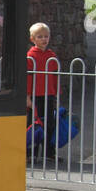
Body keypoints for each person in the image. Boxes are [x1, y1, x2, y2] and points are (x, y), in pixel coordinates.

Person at [26, 22, 59, 156]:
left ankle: (49, 152)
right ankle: (30, 153)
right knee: (33, 124)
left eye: (46, 36)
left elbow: (55, 76)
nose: (44, 39)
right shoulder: (30, 56)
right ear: (32, 39)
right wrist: (27, 97)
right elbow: (27, 78)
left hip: (49, 94)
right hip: (35, 95)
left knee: (50, 124)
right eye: (39, 37)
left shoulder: (52, 55)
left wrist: (56, 93)